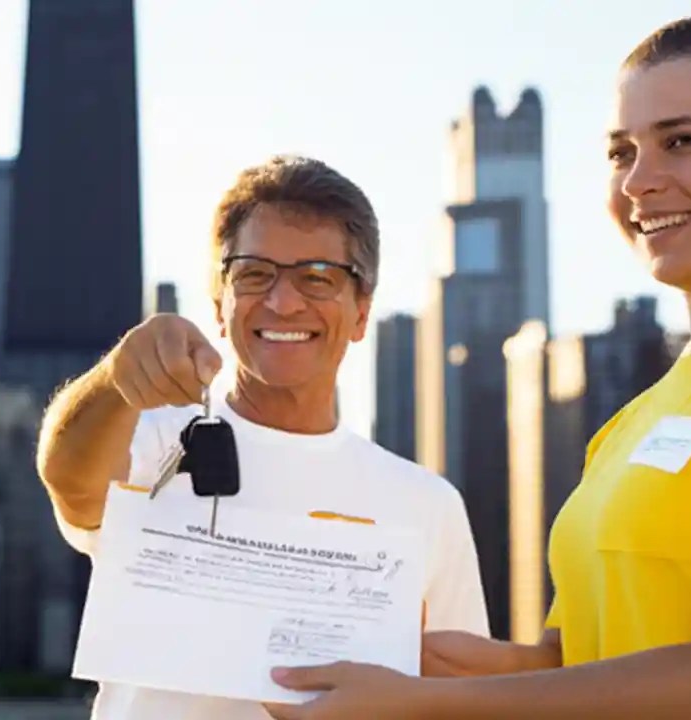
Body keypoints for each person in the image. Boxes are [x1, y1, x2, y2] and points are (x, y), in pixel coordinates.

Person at [263, 11, 691, 720]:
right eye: (620, 152)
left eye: (682, 141)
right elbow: (577, 664)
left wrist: (426, 707)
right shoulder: (634, 419)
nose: (638, 181)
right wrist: (432, 663)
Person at [36, 155, 490, 720]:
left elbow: (460, 699)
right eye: (255, 274)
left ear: (360, 311)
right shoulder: (150, 441)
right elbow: (69, 481)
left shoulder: (429, 506)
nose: (283, 302)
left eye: (317, 278)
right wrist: (112, 380)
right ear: (219, 303)